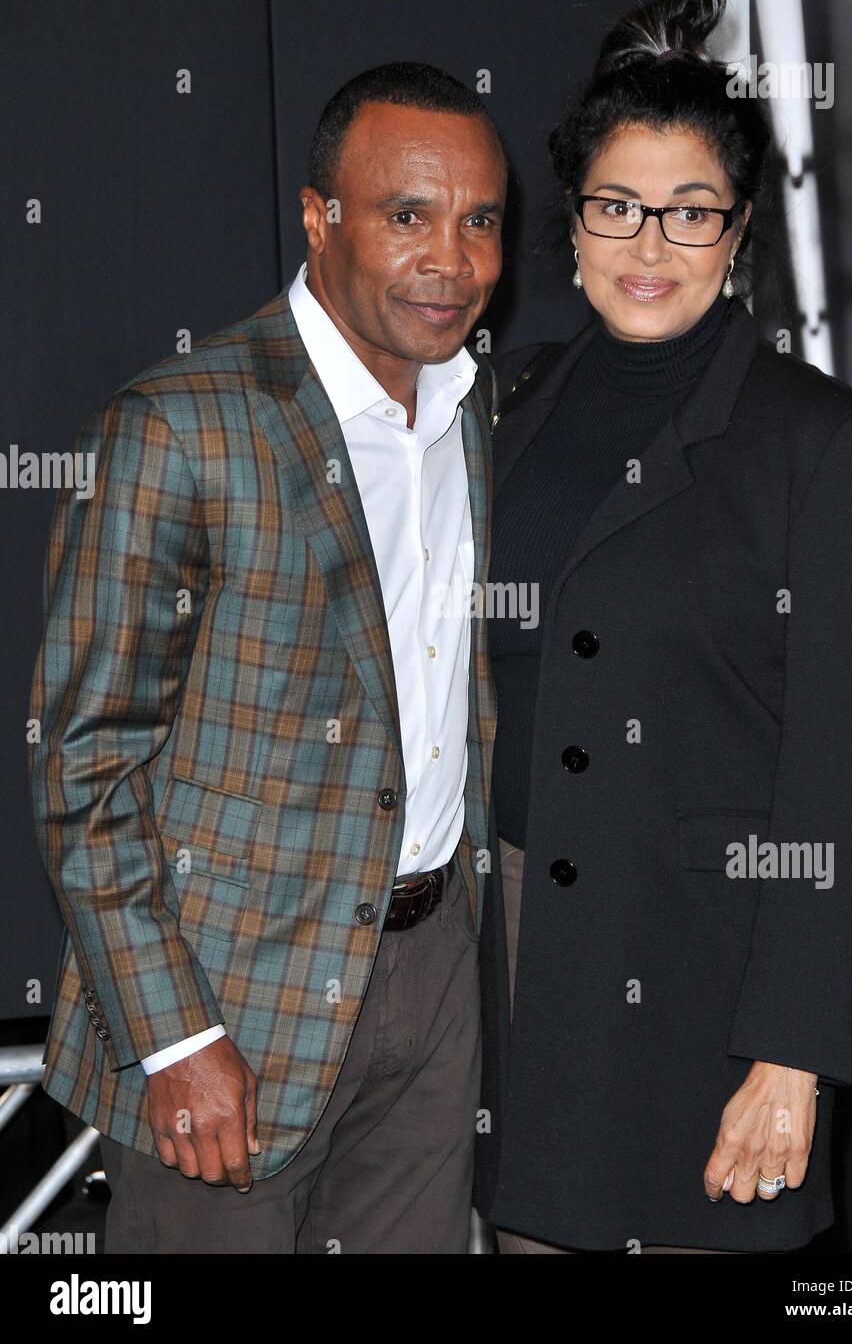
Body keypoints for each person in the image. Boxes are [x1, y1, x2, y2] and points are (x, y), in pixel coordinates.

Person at [473, 0, 852, 1254]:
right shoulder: (504, 410)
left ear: (738, 232)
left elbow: (844, 788)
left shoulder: (829, 449)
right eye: (617, 205)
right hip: (521, 971)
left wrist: (791, 1054)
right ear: (573, 223)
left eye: (689, 211)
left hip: (706, 986)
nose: (649, 244)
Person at [28, 61, 506, 1254]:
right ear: (318, 217)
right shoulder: (179, 426)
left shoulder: (479, 414)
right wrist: (175, 1038)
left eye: (480, 221)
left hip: (436, 980)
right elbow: (82, 765)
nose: (451, 260)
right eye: (408, 215)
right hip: (230, 1002)